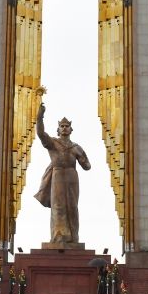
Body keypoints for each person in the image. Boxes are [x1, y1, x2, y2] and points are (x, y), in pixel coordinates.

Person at [33, 103, 91, 244]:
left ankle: (73, 238)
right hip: (58, 175)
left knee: (72, 207)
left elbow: (87, 166)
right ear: (58, 130)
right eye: (62, 126)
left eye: (67, 126)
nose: (64, 128)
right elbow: (41, 134)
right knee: (58, 206)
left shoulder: (76, 147)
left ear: (71, 129)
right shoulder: (53, 143)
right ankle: (58, 237)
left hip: (72, 176)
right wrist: (40, 116)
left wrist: (82, 157)